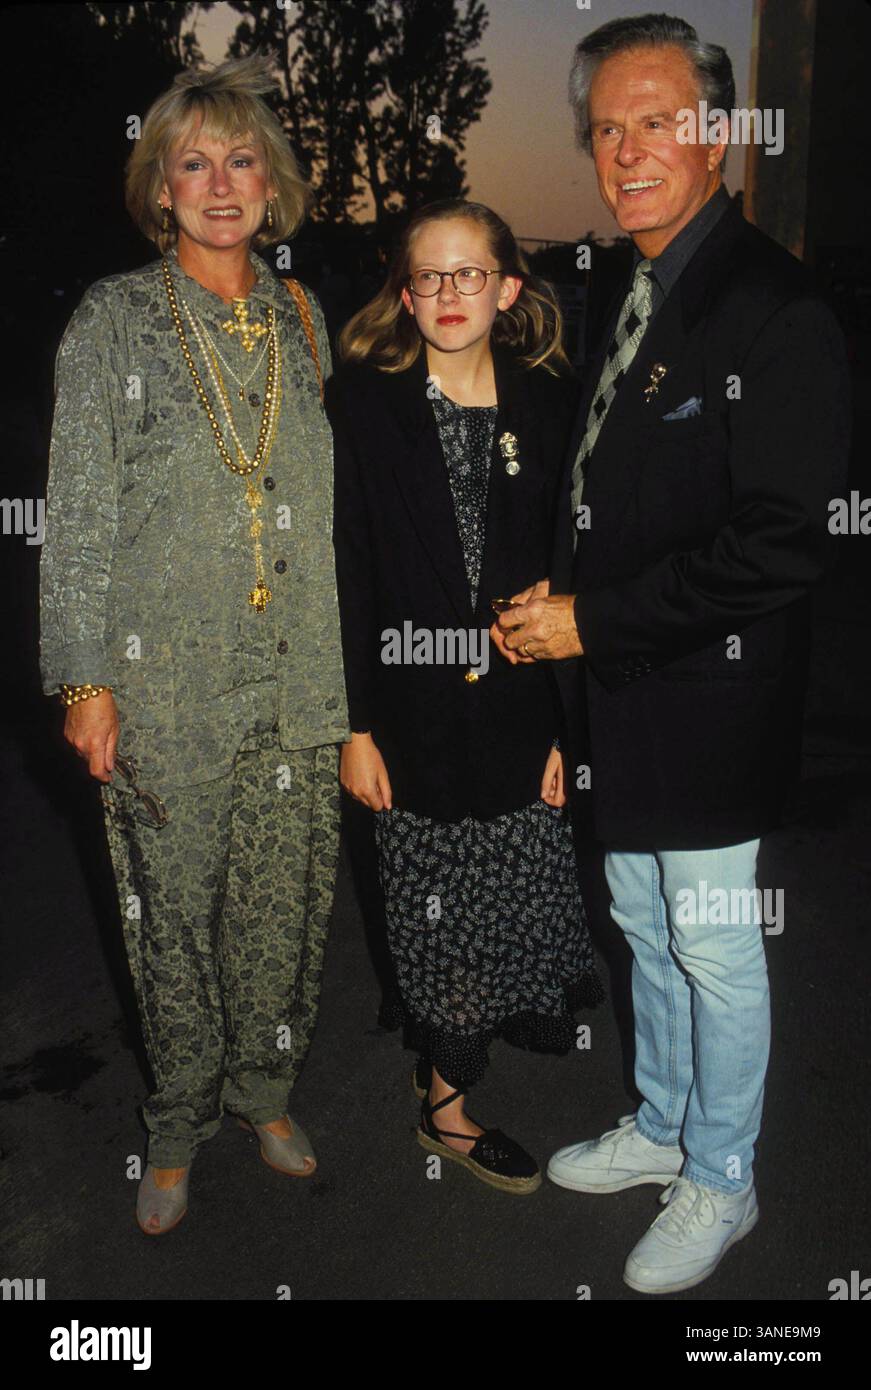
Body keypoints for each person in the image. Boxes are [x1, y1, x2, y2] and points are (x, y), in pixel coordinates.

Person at [492, 13, 850, 1287]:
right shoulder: (628, 282)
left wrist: (594, 618)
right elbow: (623, 481)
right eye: (607, 128)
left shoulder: (771, 304)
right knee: (642, 928)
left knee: (710, 944)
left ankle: (724, 1179)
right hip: (622, 694)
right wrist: (570, 590)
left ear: (717, 132)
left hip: (708, 699)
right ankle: (660, 1125)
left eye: (660, 121)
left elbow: (777, 545)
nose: (629, 150)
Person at [39, 56, 349, 1236]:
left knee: (282, 906)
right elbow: (76, 517)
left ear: (271, 186)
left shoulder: (304, 316)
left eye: (242, 160)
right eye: (194, 163)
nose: (221, 183)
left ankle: (264, 1091)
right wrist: (86, 680)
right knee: (167, 914)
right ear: (160, 190)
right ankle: (175, 1118)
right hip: (161, 681)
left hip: (298, 680)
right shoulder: (112, 319)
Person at [327, 199, 603, 1195]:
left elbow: (562, 568)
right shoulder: (361, 403)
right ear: (405, 295)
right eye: (429, 277)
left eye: (470, 274)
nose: (449, 294)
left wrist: (557, 731)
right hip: (407, 719)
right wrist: (355, 727)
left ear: (509, 290)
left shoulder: (549, 397)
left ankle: (444, 1086)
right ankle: (446, 1112)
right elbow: (350, 572)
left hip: (517, 715)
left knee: (504, 910)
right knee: (438, 919)